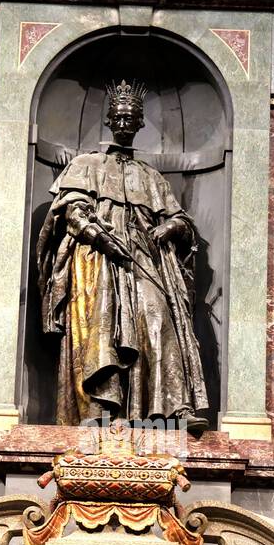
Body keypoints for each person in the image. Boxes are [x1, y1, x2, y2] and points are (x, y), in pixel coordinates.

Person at [36, 79, 209, 427]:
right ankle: (103, 410)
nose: (125, 122)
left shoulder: (152, 177)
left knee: (157, 317)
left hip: (145, 259)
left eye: (131, 117)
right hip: (98, 260)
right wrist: (99, 236)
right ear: (110, 119)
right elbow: (70, 210)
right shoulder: (86, 165)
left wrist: (170, 227)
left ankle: (172, 409)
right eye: (119, 115)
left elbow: (181, 221)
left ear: (140, 122)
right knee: (103, 327)